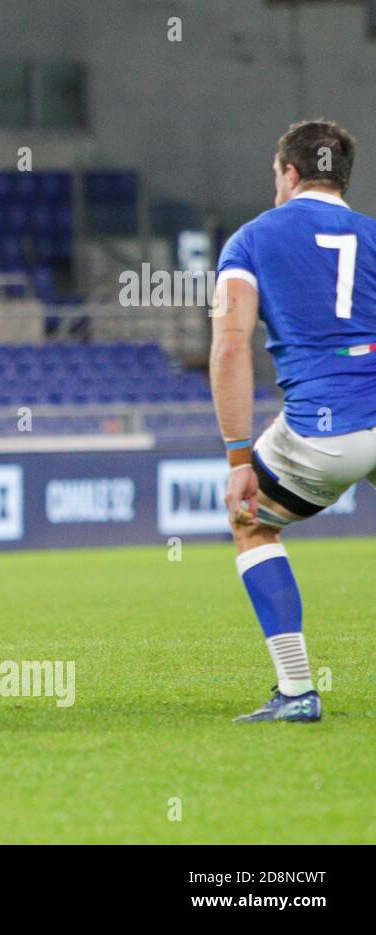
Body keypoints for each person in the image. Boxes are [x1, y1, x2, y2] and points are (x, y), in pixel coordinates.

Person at [211, 119, 376, 722]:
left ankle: (297, 690)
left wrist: (237, 459)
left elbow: (231, 347)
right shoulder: (372, 235)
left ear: (288, 172)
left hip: (321, 433)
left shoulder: (252, 240)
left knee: (252, 524)